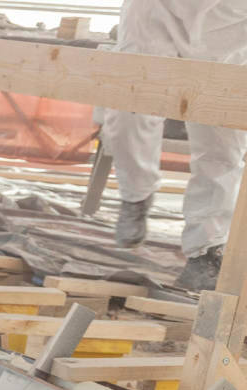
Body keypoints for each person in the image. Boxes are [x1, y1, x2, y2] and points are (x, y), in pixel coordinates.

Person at [103, 0, 247, 290]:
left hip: (231, 16)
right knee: (128, 110)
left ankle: (204, 250)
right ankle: (136, 195)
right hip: (156, 9)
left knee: (222, 137)